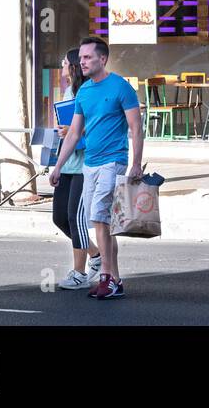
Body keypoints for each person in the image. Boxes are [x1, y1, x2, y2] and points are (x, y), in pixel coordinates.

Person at [50, 36, 143, 301]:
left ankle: (105, 276)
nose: (82, 62)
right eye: (80, 58)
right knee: (101, 223)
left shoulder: (121, 87)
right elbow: (74, 133)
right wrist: (57, 167)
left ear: (103, 59)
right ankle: (115, 279)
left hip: (113, 161)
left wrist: (136, 163)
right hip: (89, 164)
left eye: (87, 57)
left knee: (101, 219)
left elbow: (136, 127)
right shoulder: (84, 92)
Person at [50, 48, 102, 291]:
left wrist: (72, 130)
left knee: (75, 217)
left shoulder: (89, 91)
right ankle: (96, 253)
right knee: (59, 218)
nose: (61, 67)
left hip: (85, 165)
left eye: (63, 63)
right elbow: (70, 128)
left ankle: (79, 273)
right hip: (68, 162)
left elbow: (96, 126)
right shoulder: (69, 91)